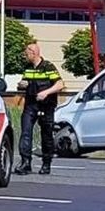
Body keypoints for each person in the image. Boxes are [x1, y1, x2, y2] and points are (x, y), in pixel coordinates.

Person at [16, 41, 64, 175]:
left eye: (27, 53)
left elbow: (60, 84)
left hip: (46, 105)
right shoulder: (28, 67)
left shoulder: (48, 67)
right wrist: (23, 84)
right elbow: (26, 82)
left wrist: (46, 92)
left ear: (34, 53)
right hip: (31, 104)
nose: (26, 56)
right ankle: (25, 162)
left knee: (46, 135)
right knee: (26, 132)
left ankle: (46, 163)